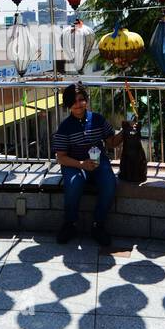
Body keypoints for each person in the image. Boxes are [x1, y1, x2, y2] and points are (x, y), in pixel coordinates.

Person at [52, 82, 121, 247]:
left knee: (110, 183)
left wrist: (125, 131)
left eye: (81, 99)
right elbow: (61, 157)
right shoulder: (64, 127)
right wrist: (81, 164)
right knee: (74, 184)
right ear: (68, 104)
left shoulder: (98, 119)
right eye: (73, 101)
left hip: (99, 161)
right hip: (74, 163)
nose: (78, 104)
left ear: (86, 101)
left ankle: (98, 225)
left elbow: (111, 142)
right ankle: (70, 224)